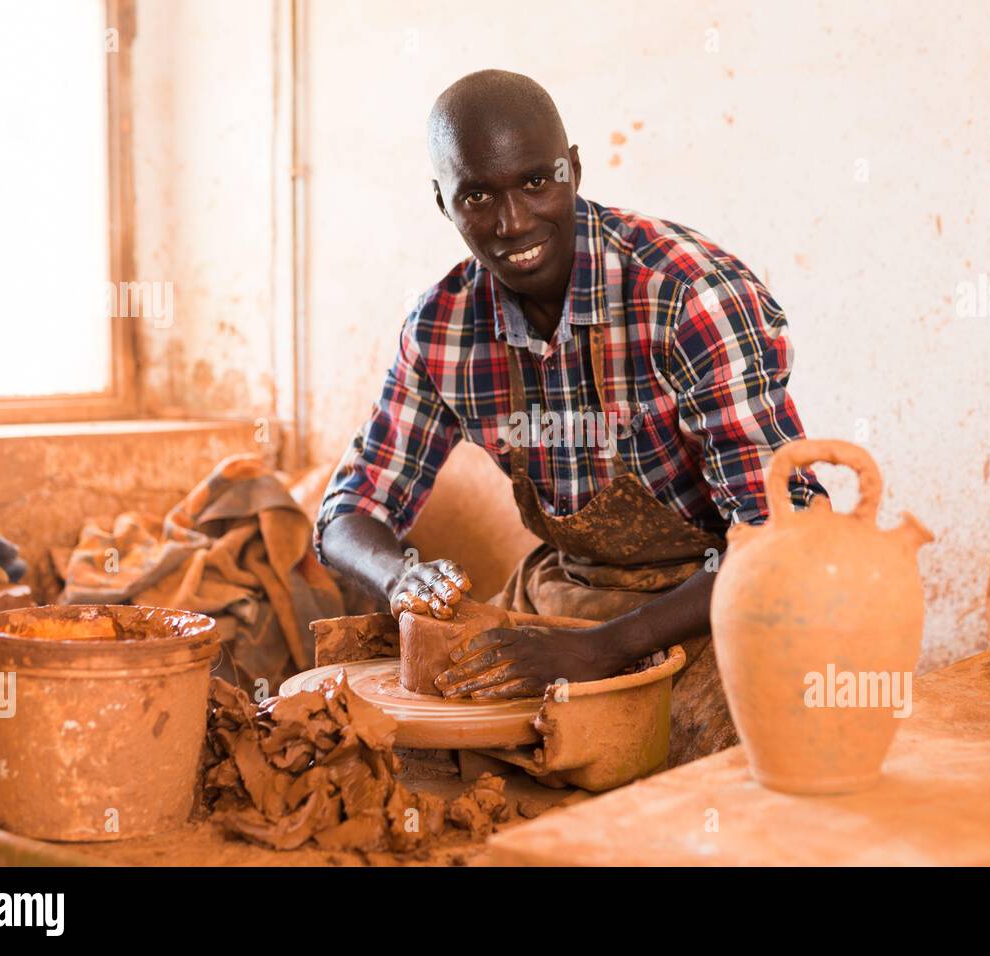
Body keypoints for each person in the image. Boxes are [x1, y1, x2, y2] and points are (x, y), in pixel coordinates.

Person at [317, 69, 825, 766]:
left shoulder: (688, 297)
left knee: (676, 782)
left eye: (535, 183)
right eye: (477, 196)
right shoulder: (441, 327)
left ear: (573, 169)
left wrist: (602, 650)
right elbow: (347, 509)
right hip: (567, 595)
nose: (513, 222)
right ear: (444, 203)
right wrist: (401, 576)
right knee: (412, 753)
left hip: (720, 602)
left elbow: (781, 538)